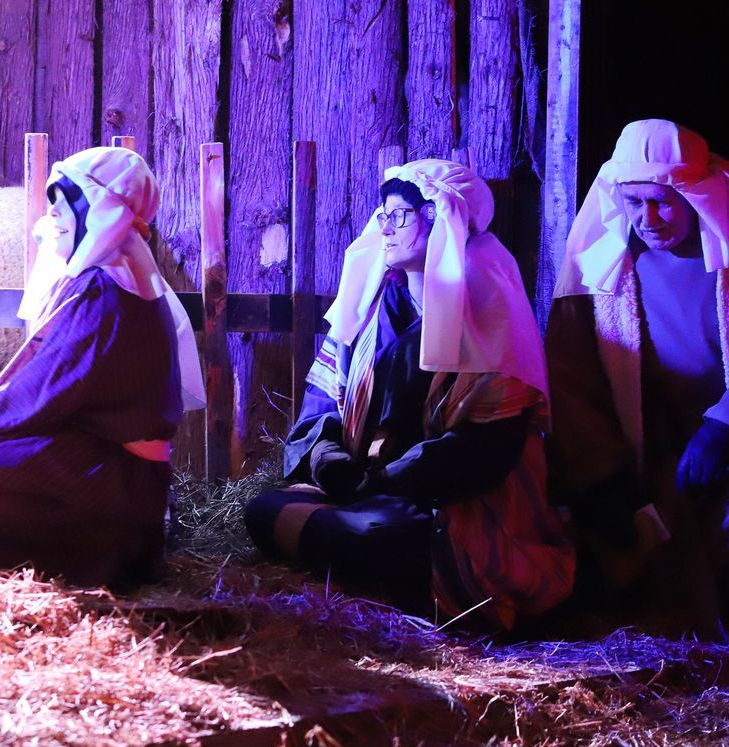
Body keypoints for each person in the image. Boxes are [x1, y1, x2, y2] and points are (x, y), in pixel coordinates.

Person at [546, 120, 729, 669]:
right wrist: (607, 480)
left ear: (696, 195)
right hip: (647, 492)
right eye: (634, 203)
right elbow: (572, 383)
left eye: (664, 202)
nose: (649, 219)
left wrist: (727, 427)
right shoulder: (600, 272)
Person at [245, 159, 574, 629]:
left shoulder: (489, 312)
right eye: (382, 216)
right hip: (364, 491)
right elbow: (324, 404)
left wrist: (398, 476)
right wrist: (327, 455)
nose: (385, 229)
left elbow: (491, 445)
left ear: (440, 218)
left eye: (400, 215)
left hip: (446, 505)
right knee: (262, 510)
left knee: (380, 535)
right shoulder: (372, 303)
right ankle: (369, 564)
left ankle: (389, 571)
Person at [0, 147, 205, 588]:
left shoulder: (103, 290)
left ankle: (88, 562)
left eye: (63, 203)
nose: (51, 214)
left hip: (110, 482)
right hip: (123, 476)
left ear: (94, 211)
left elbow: (41, 388)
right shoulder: (124, 276)